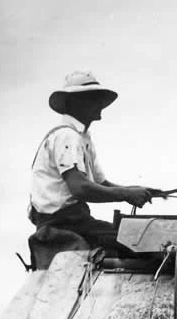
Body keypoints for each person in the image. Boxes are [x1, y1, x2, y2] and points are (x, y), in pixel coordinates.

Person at [27, 71, 163, 268]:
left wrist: (137, 189)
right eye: (94, 99)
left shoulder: (83, 138)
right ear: (76, 103)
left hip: (76, 220)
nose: (100, 104)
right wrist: (127, 194)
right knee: (137, 244)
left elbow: (100, 184)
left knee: (131, 239)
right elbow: (80, 188)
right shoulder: (67, 137)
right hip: (62, 223)